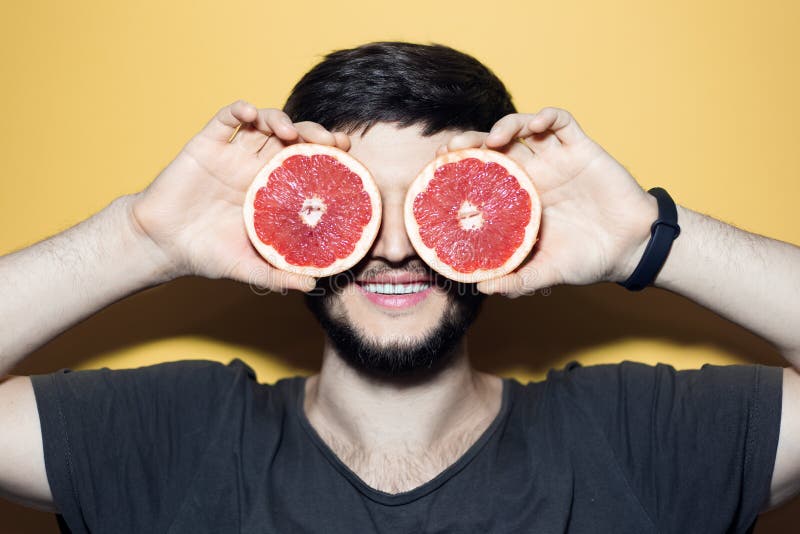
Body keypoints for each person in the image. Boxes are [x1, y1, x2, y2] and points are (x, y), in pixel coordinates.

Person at [0, 41, 798, 534]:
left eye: (432, 204)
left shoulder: (636, 439)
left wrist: (644, 239)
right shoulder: (172, 439)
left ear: (503, 211)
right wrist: (142, 240)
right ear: (290, 213)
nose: (392, 248)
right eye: (357, 206)